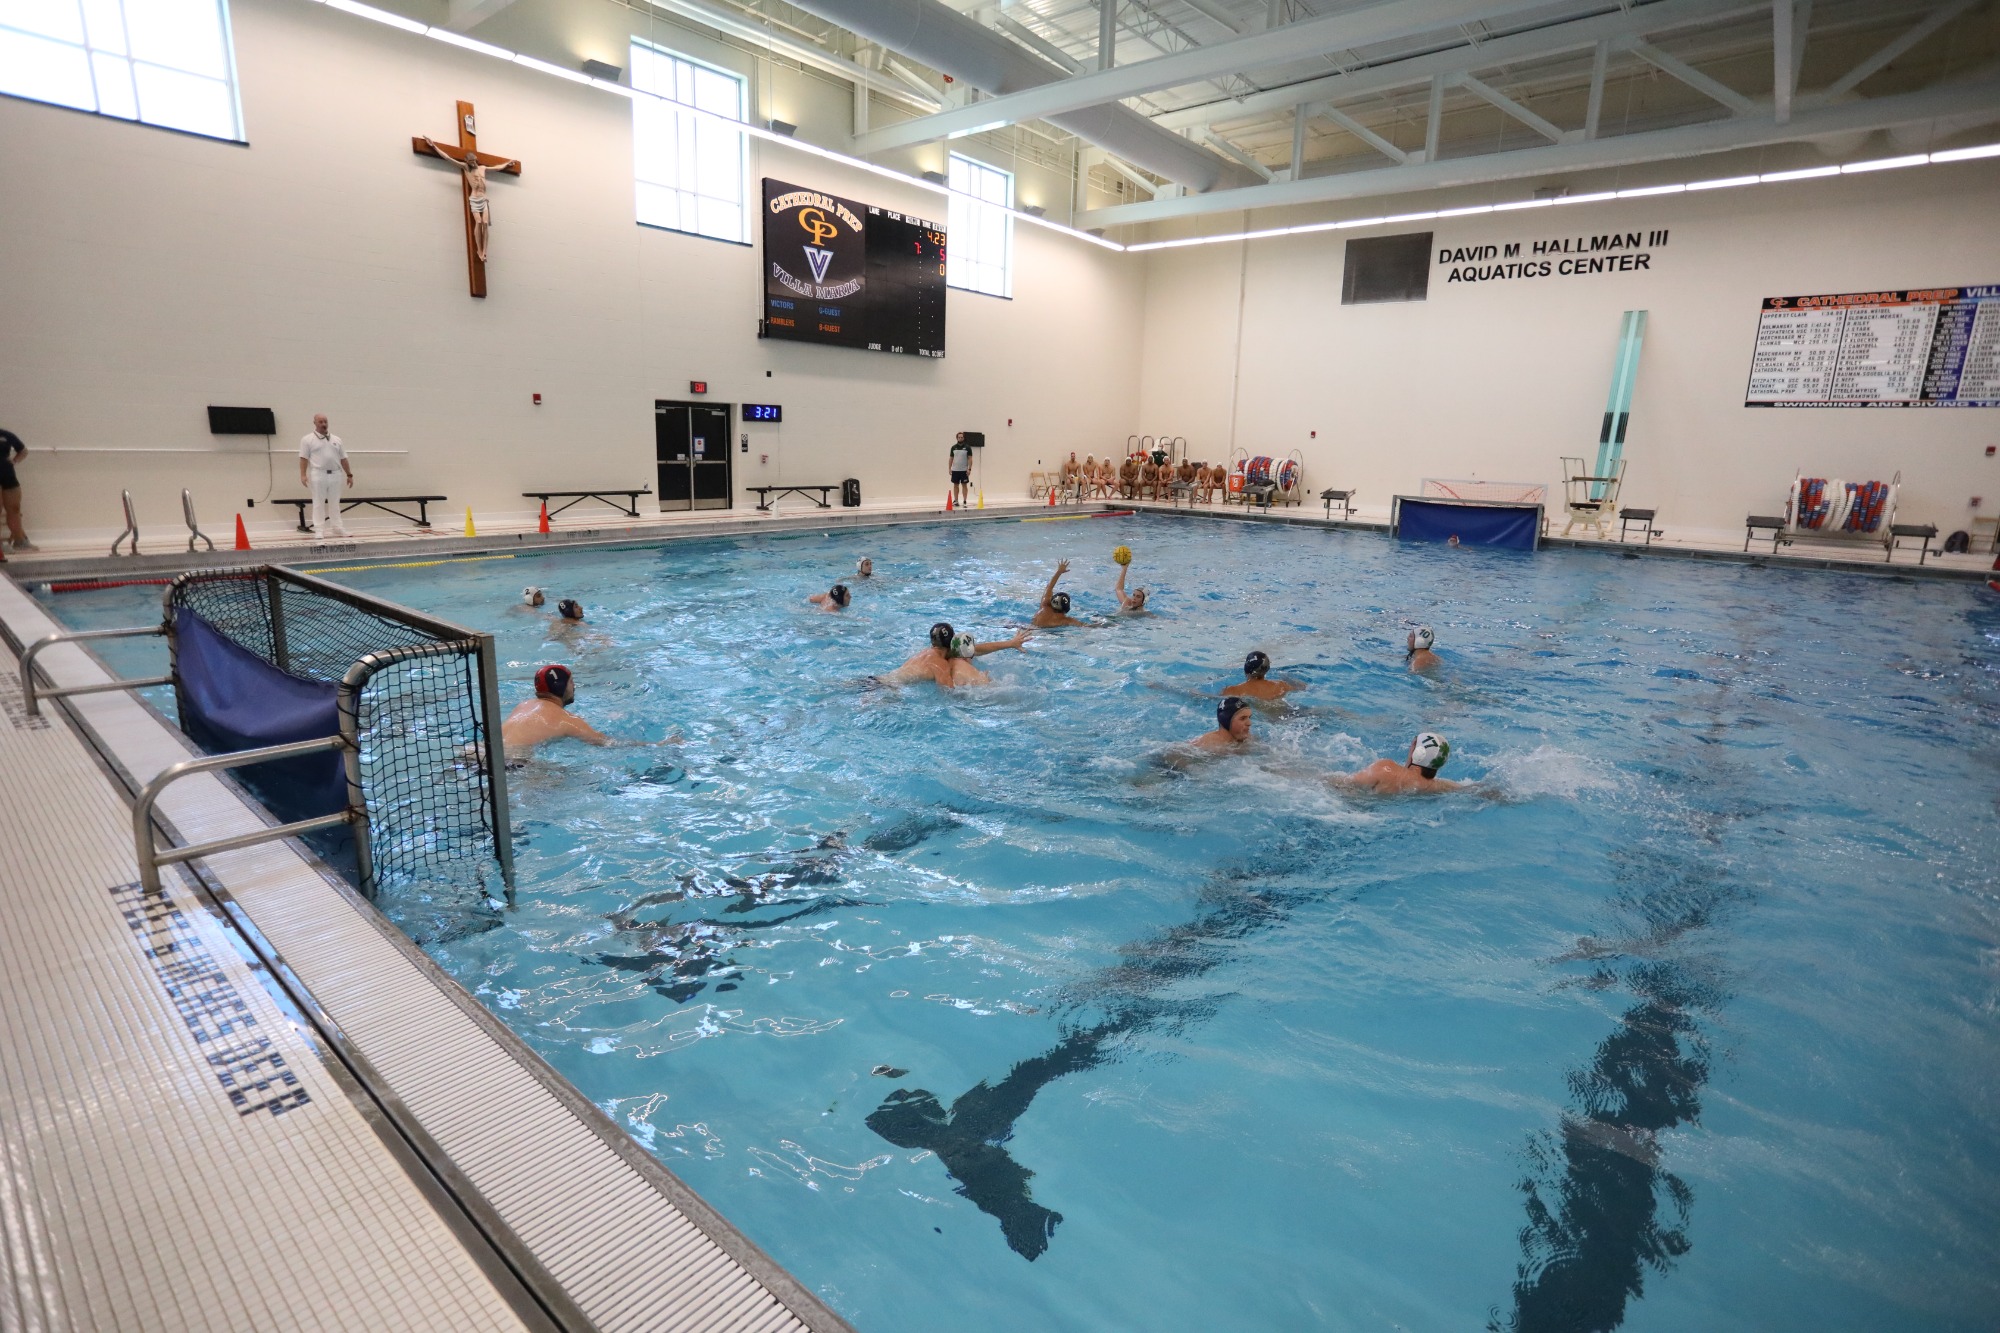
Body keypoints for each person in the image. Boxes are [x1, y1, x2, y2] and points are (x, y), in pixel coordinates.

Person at [422, 136, 519, 263]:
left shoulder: (482, 168)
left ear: (476, 160)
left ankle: (484, 251)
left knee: (485, 224)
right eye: (470, 162)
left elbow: (496, 168)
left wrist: (507, 164)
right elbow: (448, 158)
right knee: (478, 223)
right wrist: (434, 146)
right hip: (474, 199)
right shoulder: (466, 168)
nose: (473, 163)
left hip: (484, 199)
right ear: (467, 162)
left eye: (474, 161)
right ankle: (479, 249)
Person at [501, 665, 611, 752]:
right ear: (560, 686)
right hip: (513, 759)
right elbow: (604, 742)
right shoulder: (567, 719)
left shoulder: (523, 705)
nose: (574, 686)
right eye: (571, 682)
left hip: (487, 751)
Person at [882, 621, 1028, 686]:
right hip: (885, 689)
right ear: (950, 642)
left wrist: (1010, 643)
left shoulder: (929, 653)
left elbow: (974, 649)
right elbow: (948, 693)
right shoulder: (939, 664)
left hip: (879, 681)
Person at [1335, 732, 1461, 794]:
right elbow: (1473, 789)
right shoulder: (1440, 787)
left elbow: (1344, 783)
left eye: (1413, 744)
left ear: (1418, 752)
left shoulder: (1386, 769)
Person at [298, 413, 354, 539]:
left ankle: (337, 528)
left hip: (336, 474)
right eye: (320, 422)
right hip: (318, 474)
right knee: (318, 502)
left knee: (335, 502)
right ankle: (319, 529)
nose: (323, 424)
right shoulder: (307, 439)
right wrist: (303, 475)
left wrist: (349, 474)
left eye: (325, 421)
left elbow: (344, 458)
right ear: (315, 423)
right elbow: (303, 458)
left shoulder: (337, 439)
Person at [1032, 559, 1093, 628]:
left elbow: (1049, 587)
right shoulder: (1065, 620)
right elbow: (1086, 626)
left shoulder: (1044, 605)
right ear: (1066, 607)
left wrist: (1059, 572)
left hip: (1031, 628)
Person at [0, 426, 33, 551]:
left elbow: (23, 450)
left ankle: (19, 541)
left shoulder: (6, 435)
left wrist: (15, 461)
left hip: (8, 474)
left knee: (14, 508)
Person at [1222, 650, 1300, 701]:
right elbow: (1304, 688)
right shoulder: (1281, 685)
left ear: (1246, 668)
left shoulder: (1233, 691)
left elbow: (1213, 699)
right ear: (1267, 669)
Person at [948, 432, 973, 508]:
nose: (960, 438)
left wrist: (969, 469)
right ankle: (956, 501)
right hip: (955, 470)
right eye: (959, 437)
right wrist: (949, 468)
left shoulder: (967, 447)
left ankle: (965, 501)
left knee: (964, 485)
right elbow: (951, 458)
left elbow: (970, 459)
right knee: (955, 485)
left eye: (962, 437)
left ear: (963, 438)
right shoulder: (953, 447)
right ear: (957, 438)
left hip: (963, 470)